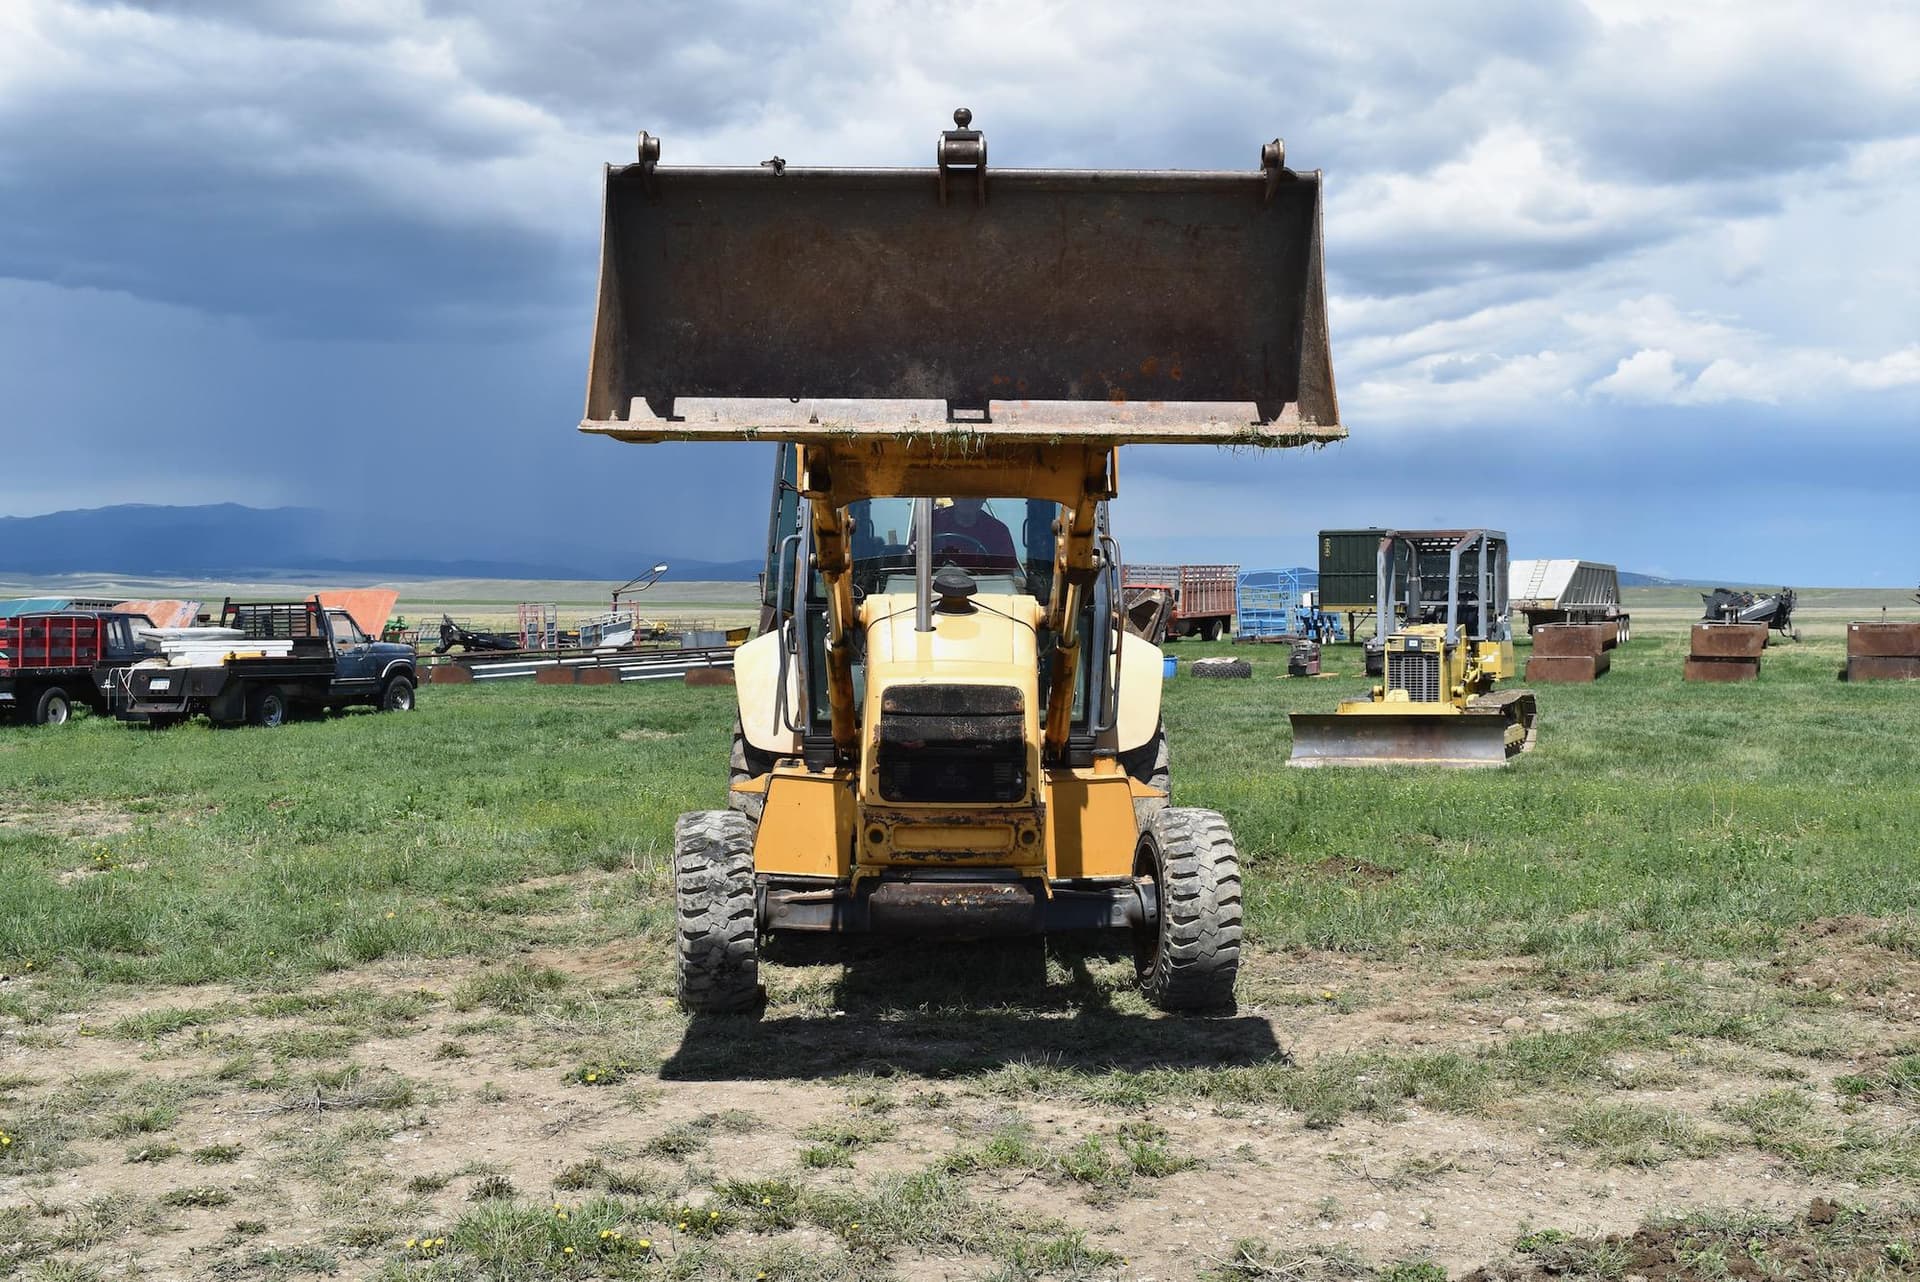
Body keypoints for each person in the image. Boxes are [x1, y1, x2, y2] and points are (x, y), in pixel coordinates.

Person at [930, 497, 1020, 569]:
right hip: (930, 586)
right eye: (962, 494)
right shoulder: (931, 522)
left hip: (982, 587)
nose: (968, 500)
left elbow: (1006, 573)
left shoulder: (998, 531)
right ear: (953, 497)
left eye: (975, 495)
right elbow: (916, 563)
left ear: (984, 498)